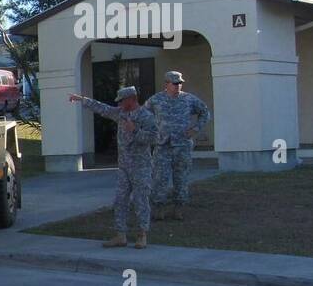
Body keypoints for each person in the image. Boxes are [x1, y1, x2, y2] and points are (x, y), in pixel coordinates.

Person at [69, 85, 157, 248]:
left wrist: (135, 130)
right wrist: (82, 100)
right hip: (124, 167)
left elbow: (154, 138)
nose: (119, 104)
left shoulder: (146, 116)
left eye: (122, 101)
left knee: (141, 201)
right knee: (120, 200)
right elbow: (102, 108)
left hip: (141, 167)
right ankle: (120, 236)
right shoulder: (120, 113)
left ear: (132, 99)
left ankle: (142, 235)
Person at [146, 69, 211, 220]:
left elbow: (205, 113)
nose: (178, 86)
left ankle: (178, 209)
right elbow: (144, 116)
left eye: (180, 83)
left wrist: (195, 129)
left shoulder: (189, 99)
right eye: (175, 84)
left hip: (182, 146)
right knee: (160, 178)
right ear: (167, 84)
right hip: (163, 146)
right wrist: (150, 132)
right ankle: (159, 208)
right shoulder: (156, 100)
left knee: (181, 178)